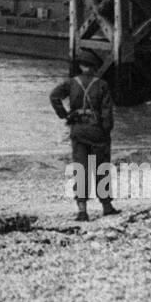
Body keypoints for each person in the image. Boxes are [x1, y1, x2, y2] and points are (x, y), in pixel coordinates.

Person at [49, 52, 119, 222]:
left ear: (81, 66)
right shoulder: (102, 84)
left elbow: (54, 96)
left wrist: (64, 115)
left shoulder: (72, 83)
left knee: (80, 168)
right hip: (96, 131)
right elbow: (107, 112)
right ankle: (107, 206)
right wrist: (107, 131)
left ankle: (82, 211)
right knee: (101, 167)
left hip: (78, 130)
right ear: (94, 67)